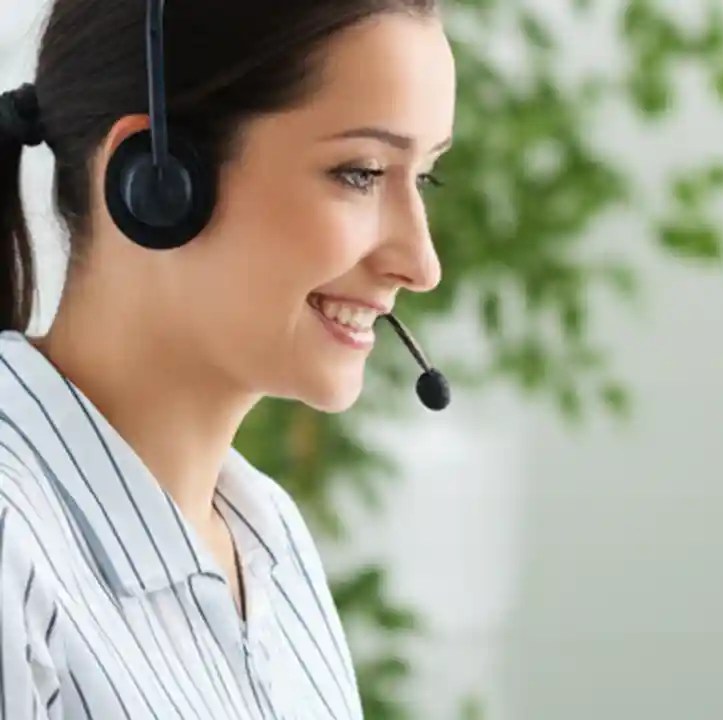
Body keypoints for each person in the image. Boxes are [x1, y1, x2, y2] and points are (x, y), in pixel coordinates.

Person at [0, 0, 453, 717]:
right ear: (153, 180)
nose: (421, 264)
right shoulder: (13, 555)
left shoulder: (270, 542)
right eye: (362, 173)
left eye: (423, 178)